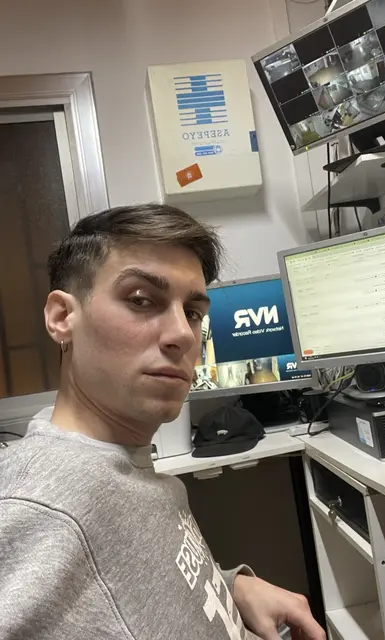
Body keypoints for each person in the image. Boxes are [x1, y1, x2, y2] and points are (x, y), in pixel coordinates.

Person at [0, 204, 325, 640]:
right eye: (141, 300)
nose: (183, 335)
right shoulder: (40, 511)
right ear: (62, 318)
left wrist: (232, 587)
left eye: (192, 312)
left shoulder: (120, 461)